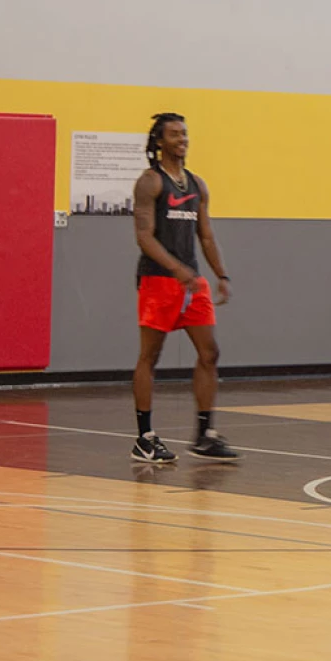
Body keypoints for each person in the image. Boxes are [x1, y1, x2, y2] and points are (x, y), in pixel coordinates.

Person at [129, 113, 239, 464]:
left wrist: (221, 275)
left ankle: (205, 434)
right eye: (175, 134)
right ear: (160, 142)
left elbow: (205, 235)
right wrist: (176, 269)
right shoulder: (150, 182)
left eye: (185, 133)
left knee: (210, 353)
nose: (182, 139)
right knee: (150, 356)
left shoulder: (196, 184)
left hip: (192, 282)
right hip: (158, 280)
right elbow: (144, 237)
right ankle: (144, 438)